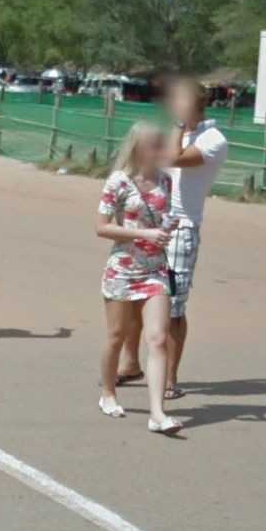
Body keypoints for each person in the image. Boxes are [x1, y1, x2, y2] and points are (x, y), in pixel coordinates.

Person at [117, 78, 228, 399]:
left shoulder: (213, 139)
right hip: (149, 223)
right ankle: (131, 363)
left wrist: (179, 125)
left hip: (181, 228)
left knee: (173, 307)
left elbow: (174, 158)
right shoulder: (175, 133)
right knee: (134, 295)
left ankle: (169, 378)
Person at [96, 123, 181, 434]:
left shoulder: (166, 180)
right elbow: (102, 227)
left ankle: (157, 414)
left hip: (155, 268)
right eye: (153, 145)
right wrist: (145, 234)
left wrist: (168, 226)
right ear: (138, 148)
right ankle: (108, 393)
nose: (160, 150)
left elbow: (160, 217)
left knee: (157, 338)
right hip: (122, 268)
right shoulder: (118, 181)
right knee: (116, 336)